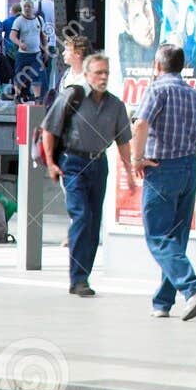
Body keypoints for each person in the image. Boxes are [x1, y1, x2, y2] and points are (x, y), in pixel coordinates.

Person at [131, 45, 196, 319]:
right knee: (175, 239)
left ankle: (193, 285)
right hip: (188, 170)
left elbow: (140, 124)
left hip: (161, 168)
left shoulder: (157, 91)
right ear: (182, 65)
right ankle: (163, 302)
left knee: (157, 236)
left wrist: (137, 158)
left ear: (158, 66)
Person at [41, 52, 132, 297]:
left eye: (106, 73)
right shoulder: (73, 95)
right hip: (73, 162)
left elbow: (123, 142)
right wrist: (50, 163)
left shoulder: (115, 105)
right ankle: (78, 278)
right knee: (80, 216)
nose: (103, 77)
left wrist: (131, 172)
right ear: (88, 74)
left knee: (92, 222)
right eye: (98, 73)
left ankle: (83, 277)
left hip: (99, 164)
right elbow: (48, 129)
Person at [8, 0, 48, 103]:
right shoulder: (19, 20)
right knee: (20, 75)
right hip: (23, 54)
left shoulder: (39, 19)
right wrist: (20, 43)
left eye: (29, 6)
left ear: (33, 8)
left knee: (37, 75)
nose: (27, 8)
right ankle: (17, 95)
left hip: (36, 53)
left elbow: (43, 36)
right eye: (25, 6)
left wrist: (46, 49)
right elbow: (12, 36)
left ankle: (37, 98)